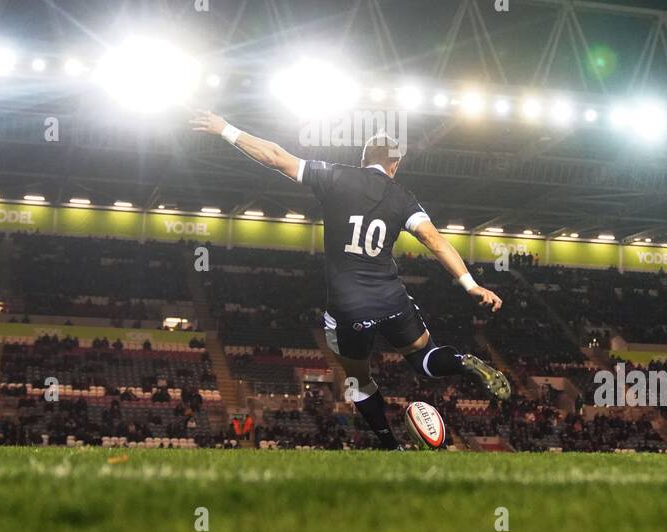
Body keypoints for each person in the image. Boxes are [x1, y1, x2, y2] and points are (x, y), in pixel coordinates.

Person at [189, 110, 510, 450]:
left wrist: (225, 128)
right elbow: (434, 240)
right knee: (425, 359)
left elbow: (275, 156)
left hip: (348, 308)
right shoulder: (402, 197)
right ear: (395, 165)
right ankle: (462, 363)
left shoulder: (334, 176)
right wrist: (471, 285)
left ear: (362, 159)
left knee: (358, 380)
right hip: (391, 298)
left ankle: (390, 445)